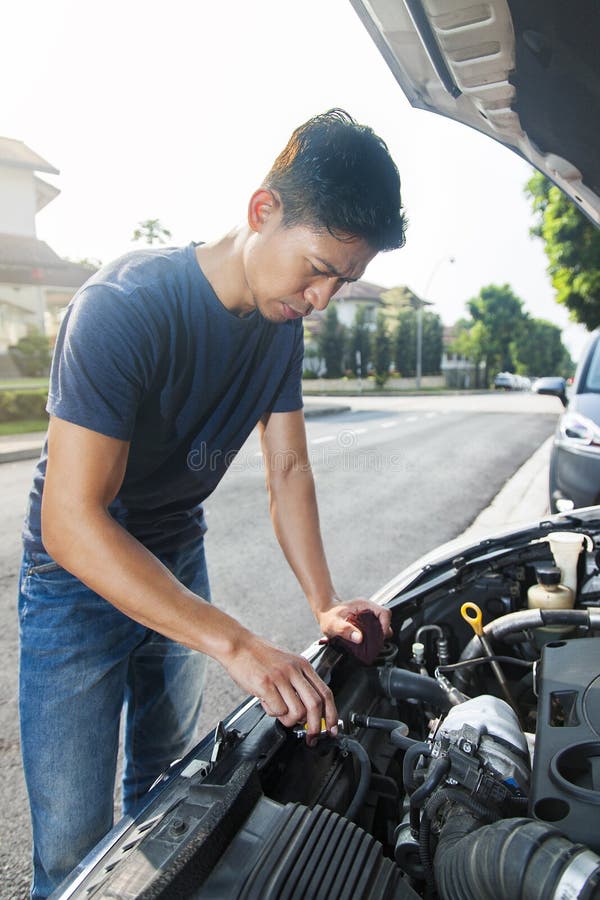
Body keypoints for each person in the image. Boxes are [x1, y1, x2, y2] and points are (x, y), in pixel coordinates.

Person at [18, 108, 407, 897]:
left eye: (344, 280)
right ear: (263, 211)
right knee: (73, 849)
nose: (323, 298)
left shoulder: (280, 323)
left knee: (169, 802)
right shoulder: (123, 306)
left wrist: (324, 602)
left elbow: (290, 467)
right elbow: (72, 520)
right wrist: (236, 644)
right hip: (76, 582)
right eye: (317, 267)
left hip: (177, 556)